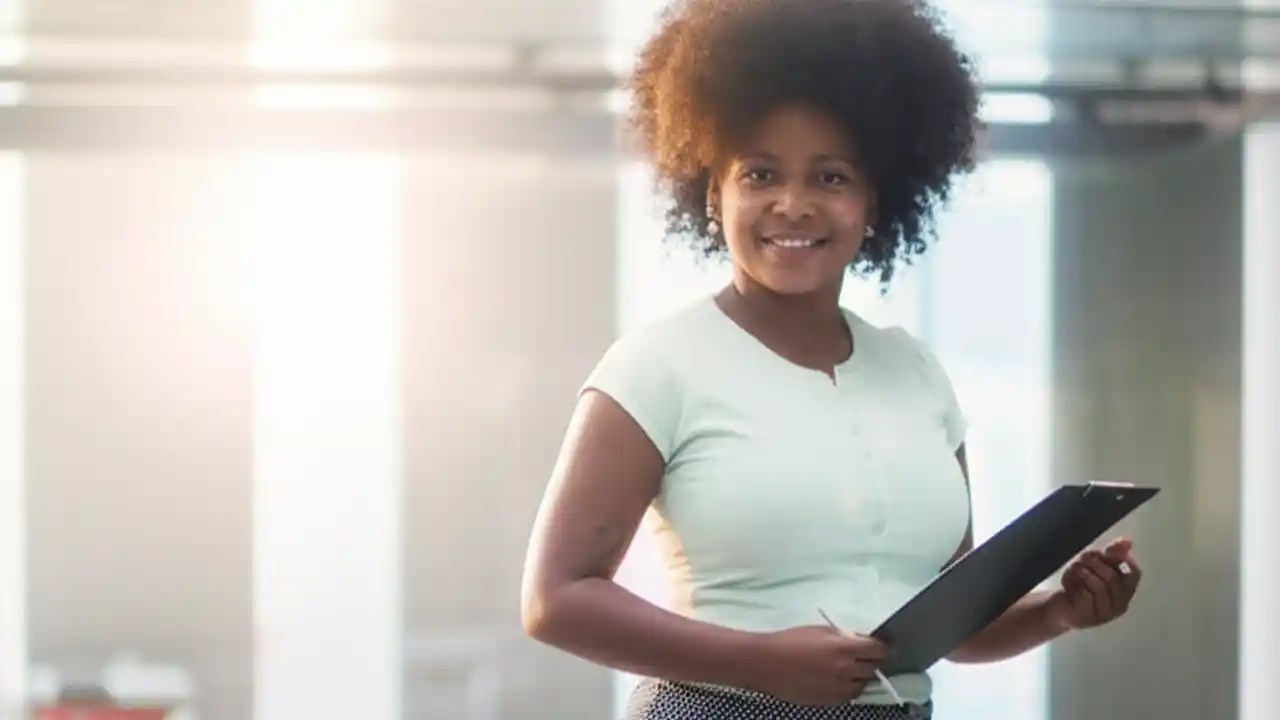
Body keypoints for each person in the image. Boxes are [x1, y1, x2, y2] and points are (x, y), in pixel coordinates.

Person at [521, 1, 1143, 718]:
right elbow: (556, 598)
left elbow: (948, 620)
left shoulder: (918, 378)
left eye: (831, 177)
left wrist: (1060, 610)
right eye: (759, 175)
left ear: (877, 197)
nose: (793, 204)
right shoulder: (657, 367)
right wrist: (757, 663)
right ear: (711, 190)